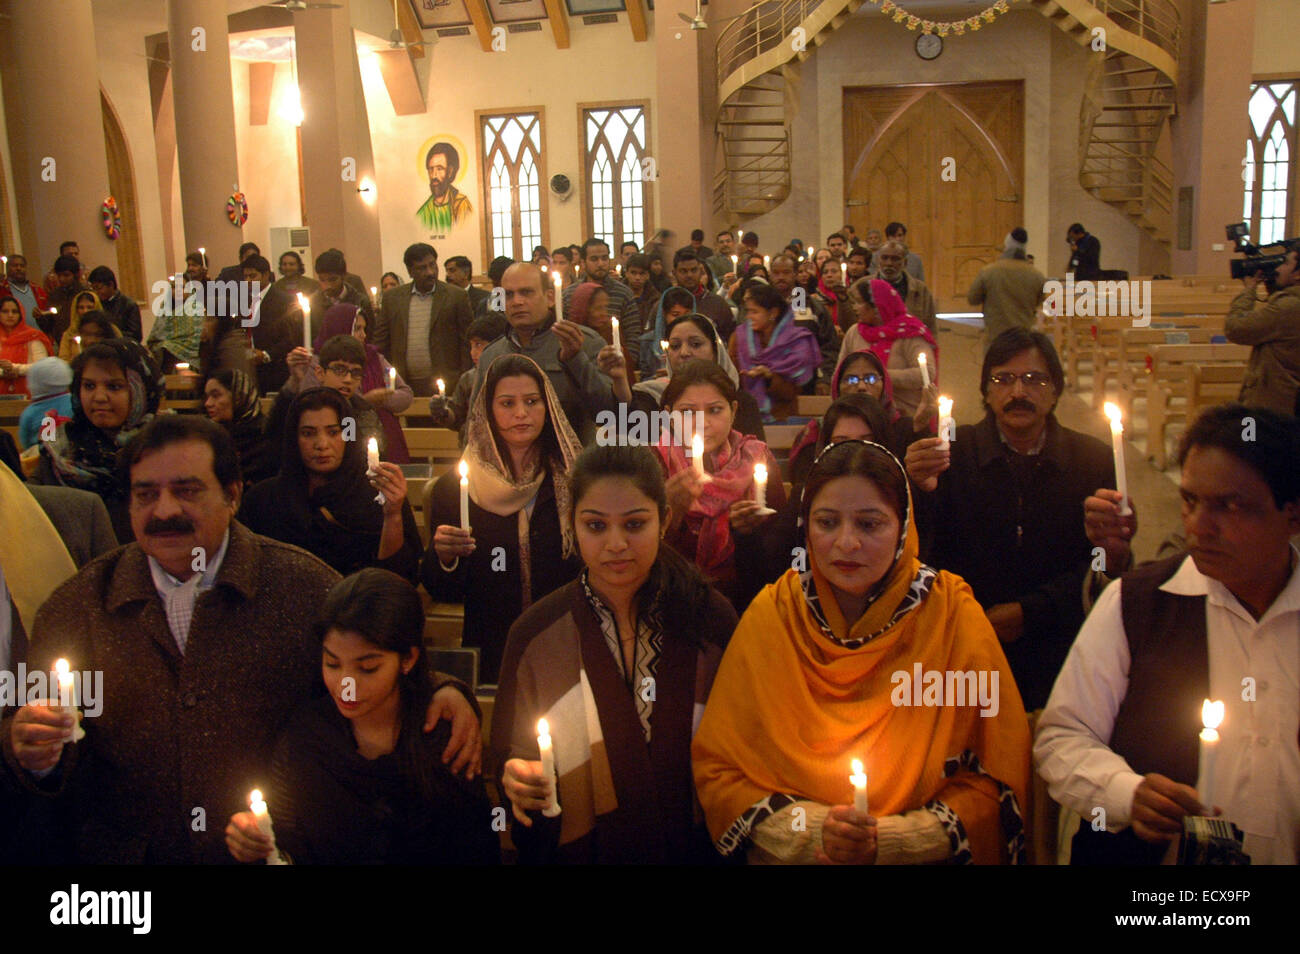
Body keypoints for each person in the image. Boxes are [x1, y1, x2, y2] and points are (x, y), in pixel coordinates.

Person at [2, 414, 480, 863]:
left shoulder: (302, 585)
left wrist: (444, 690)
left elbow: (370, 657)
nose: (165, 510)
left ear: (233, 494)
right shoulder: (78, 605)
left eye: (187, 491)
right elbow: (26, 727)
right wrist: (27, 748)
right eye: (146, 494)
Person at [692, 440, 1030, 864]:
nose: (846, 543)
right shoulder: (773, 617)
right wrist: (814, 832)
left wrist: (895, 840)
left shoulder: (951, 618)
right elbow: (721, 772)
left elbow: (994, 781)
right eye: (827, 522)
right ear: (804, 525)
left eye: (870, 525)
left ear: (903, 527)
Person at [1035, 405, 1300, 865]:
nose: (1198, 525)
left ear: (1292, 515)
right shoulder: (1137, 604)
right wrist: (1125, 793)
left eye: (1231, 506)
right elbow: (1061, 738)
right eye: (1190, 500)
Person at [491, 443, 737, 863]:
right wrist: (515, 779)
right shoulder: (535, 635)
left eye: (635, 524)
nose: (616, 544)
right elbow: (506, 759)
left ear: (664, 522)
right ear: (573, 526)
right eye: (596, 526)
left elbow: (742, 745)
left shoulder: (710, 619)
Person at [224, 569, 499, 865]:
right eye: (332, 663)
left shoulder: (443, 733)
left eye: (367, 668)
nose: (346, 686)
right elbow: (286, 843)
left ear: (408, 659)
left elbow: (477, 845)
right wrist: (255, 841)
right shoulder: (306, 736)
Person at [904, 328, 1116, 710]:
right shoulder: (950, 455)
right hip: (963, 645)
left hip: (1057, 648)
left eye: (1035, 379)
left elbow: (1100, 568)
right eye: (1003, 379)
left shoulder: (1093, 460)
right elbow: (920, 553)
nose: (1019, 392)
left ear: (1056, 390)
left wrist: (1033, 611)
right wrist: (916, 490)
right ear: (986, 391)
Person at [423, 354, 583, 684]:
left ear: (548, 406)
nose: (521, 413)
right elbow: (447, 590)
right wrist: (445, 558)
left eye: (532, 401)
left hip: (564, 634)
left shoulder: (573, 476)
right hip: (491, 641)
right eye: (507, 403)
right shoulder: (455, 489)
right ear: (488, 411)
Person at [238, 386, 421, 582]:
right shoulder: (264, 501)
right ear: (294, 439)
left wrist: (392, 515)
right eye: (308, 434)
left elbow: (401, 579)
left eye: (334, 432)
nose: (322, 444)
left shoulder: (376, 494)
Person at [733, 394, 896, 611]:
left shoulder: (898, 497)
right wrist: (747, 535)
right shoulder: (806, 496)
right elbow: (769, 574)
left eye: (868, 442)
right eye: (841, 444)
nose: (855, 454)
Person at [653, 359, 787, 608]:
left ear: (734, 411)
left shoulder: (757, 458)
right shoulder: (654, 463)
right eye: (687, 412)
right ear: (668, 416)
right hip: (671, 601)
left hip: (747, 600)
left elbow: (781, 547)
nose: (702, 423)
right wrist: (668, 513)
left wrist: (750, 533)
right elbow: (644, 555)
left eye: (715, 410)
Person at [474, 263, 619, 443]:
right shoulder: (492, 355)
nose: (517, 301)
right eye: (509, 295)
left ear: (550, 297)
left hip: (572, 459)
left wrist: (574, 359)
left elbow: (608, 412)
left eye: (526, 292)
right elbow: (477, 422)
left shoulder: (583, 341)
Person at [34, 339, 163, 542]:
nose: (99, 397)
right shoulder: (59, 451)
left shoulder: (165, 449)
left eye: (114, 386)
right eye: (89, 386)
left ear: (141, 391)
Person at [630, 313, 765, 441]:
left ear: (715, 350)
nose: (684, 353)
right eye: (675, 346)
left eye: (695, 344)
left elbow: (756, 456)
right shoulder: (652, 400)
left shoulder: (742, 403)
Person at [371, 243, 473, 398]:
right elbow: (381, 342)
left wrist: (462, 380)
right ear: (410, 271)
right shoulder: (393, 299)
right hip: (404, 385)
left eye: (432, 265)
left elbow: (467, 342)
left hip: (447, 384)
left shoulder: (456, 296)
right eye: (422, 268)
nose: (430, 272)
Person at [314, 302, 412, 463]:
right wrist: (364, 401)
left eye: (356, 373)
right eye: (357, 329)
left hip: (377, 433)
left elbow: (406, 394)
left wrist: (380, 398)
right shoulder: (319, 362)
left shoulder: (374, 358)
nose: (363, 335)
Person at [266, 335, 387, 461]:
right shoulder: (307, 407)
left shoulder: (363, 411)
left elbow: (375, 456)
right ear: (320, 373)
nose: (348, 379)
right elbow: (275, 437)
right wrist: (295, 380)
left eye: (356, 373)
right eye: (339, 370)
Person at [839, 277, 938, 420]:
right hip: (860, 414)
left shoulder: (909, 332)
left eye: (859, 302)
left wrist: (880, 377)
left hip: (905, 415)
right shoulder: (855, 332)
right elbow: (840, 373)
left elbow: (927, 373)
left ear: (878, 306)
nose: (854, 307)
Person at [1224, 243, 1300, 415]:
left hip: (1272, 403)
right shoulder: (1288, 304)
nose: (1278, 268)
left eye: (1286, 263)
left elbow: (1235, 328)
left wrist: (1249, 290)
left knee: (1249, 438)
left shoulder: (1288, 307)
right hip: (1291, 400)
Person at [730, 281, 820, 422]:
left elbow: (794, 390)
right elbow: (732, 378)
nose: (749, 317)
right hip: (747, 416)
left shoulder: (795, 341)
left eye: (755, 312)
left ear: (773, 313)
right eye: (748, 311)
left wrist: (769, 377)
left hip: (784, 416)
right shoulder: (740, 337)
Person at [967, 229, 1047, 349]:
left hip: (995, 338)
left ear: (1006, 246)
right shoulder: (1037, 276)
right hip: (1024, 338)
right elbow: (1040, 301)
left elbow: (972, 299)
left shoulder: (989, 272)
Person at [430, 314, 507, 438]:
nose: (472, 352)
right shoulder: (468, 379)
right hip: (472, 444)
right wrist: (444, 412)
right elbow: (458, 417)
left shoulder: (512, 376)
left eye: (478, 345)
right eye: (471, 346)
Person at [770, 254, 838, 391]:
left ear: (795, 274)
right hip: (772, 383)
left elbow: (829, 346)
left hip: (807, 382)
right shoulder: (763, 304)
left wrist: (823, 378)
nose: (781, 277)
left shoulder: (810, 306)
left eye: (786, 272)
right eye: (776, 273)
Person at [203, 369, 277, 488]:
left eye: (216, 396)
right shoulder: (212, 436)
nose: (208, 403)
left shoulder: (264, 437)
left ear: (238, 396)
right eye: (207, 397)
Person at [562, 239, 640, 350]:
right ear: (583, 263)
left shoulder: (623, 293)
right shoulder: (570, 294)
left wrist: (626, 361)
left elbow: (633, 336)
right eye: (594, 259)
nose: (601, 264)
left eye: (604, 258)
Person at [146, 252, 205, 372]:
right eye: (174, 287)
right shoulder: (165, 306)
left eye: (182, 288)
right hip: (167, 352)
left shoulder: (196, 307)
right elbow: (156, 334)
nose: (177, 291)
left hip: (190, 355)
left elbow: (196, 335)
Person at [307, 249, 375, 343]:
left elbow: (370, 336)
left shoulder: (360, 301)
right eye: (322, 280)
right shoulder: (313, 303)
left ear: (343, 276)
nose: (327, 286)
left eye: (332, 280)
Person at [875, 240, 937, 337]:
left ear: (905, 262)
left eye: (895, 259)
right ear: (878, 260)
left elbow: (931, 327)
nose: (889, 263)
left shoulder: (920, 290)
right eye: (884, 258)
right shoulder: (863, 286)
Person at [0, 296, 53, 396]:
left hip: (30, 393)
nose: (10, 315)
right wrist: (3, 372)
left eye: (15, 311)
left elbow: (41, 367)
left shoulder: (33, 336)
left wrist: (14, 368)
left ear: (21, 314)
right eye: (5, 311)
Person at [17, 357, 73, 449]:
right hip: (74, 457)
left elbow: (25, 442)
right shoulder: (75, 402)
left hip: (41, 459)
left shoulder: (29, 413)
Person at [416, 141, 472, 230]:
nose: (434, 175)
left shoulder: (461, 204)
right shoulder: (424, 211)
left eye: (439, 169)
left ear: (450, 172)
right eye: (431, 169)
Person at [85, 266, 143, 342]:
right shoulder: (95, 303)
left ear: (111, 285)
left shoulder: (128, 305)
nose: (96, 292)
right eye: (93, 289)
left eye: (98, 288)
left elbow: (135, 335)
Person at [42, 255, 86, 346]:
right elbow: (48, 325)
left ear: (76, 275)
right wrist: (40, 317)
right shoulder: (54, 295)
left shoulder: (85, 295)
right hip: (62, 344)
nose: (62, 279)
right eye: (59, 275)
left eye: (66, 275)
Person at [199, 311, 255, 381]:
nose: (203, 325)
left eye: (209, 320)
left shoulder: (231, 348)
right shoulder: (214, 346)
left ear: (221, 323)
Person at [1, 254, 50, 330]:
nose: (19, 268)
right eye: (15, 266)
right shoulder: (3, 290)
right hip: (13, 336)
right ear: (7, 268)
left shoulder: (37, 290)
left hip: (37, 334)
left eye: (22, 266)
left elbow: (47, 313)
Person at [55, 290, 103, 361]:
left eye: (89, 307)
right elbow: (63, 360)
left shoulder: (108, 329)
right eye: (81, 308)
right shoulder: (69, 334)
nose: (85, 311)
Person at [813, 257, 847, 332]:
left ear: (842, 274)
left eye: (834, 271)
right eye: (825, 272)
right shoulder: (813, 300)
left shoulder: (850, 298)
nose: (829, 275)